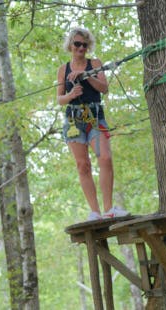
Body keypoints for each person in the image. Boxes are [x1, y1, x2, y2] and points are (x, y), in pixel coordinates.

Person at [56, 27, 129, 221]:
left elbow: (104, 88)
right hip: (73, 120)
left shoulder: (95, 63)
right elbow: (59, 99)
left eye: (84, 44)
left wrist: (87, 75)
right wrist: (71, 95)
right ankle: (95, 212)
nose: (81, 48)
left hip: (95, 117)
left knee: (105, 158)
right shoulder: (63, 69)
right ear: (70, 45)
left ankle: (109, 209)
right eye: (77, 44)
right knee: (83, 165)